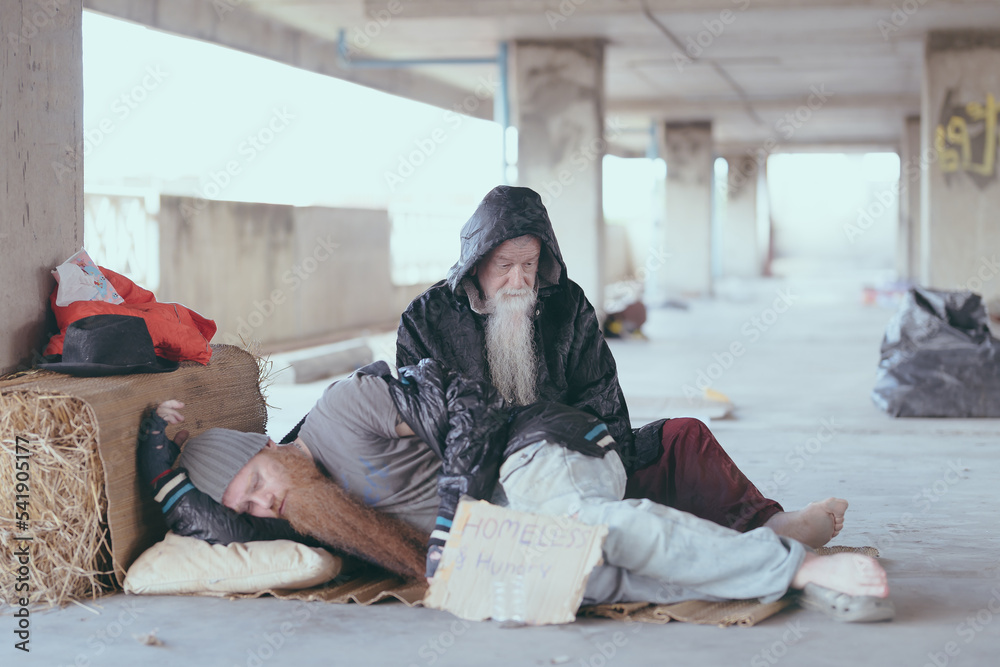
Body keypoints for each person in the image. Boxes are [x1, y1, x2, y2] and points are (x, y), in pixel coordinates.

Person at [137, 361, 893, 621]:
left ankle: (793, 566)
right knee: (588, 577)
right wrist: (157, 455)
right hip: (502, 524)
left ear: (269, 449)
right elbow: (218, 528)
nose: (263, 506)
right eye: (251, 507)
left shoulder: (342, 408)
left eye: (258, 485)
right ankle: (771, 554)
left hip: (534, 453)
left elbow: (464, 409)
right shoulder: (307, 514)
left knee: (584, 523)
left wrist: (447, 521)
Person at [397, 185, 845, 549]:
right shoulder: (425, 319)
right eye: (505, 266)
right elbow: (425, 424)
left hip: (574, 460)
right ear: (477, 263)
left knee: (684, 437)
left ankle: (771, 525)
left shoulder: (566, 304)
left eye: (529, 265)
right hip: (484, 482)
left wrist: (600, 462)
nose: (518, 282)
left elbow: (602, 397)